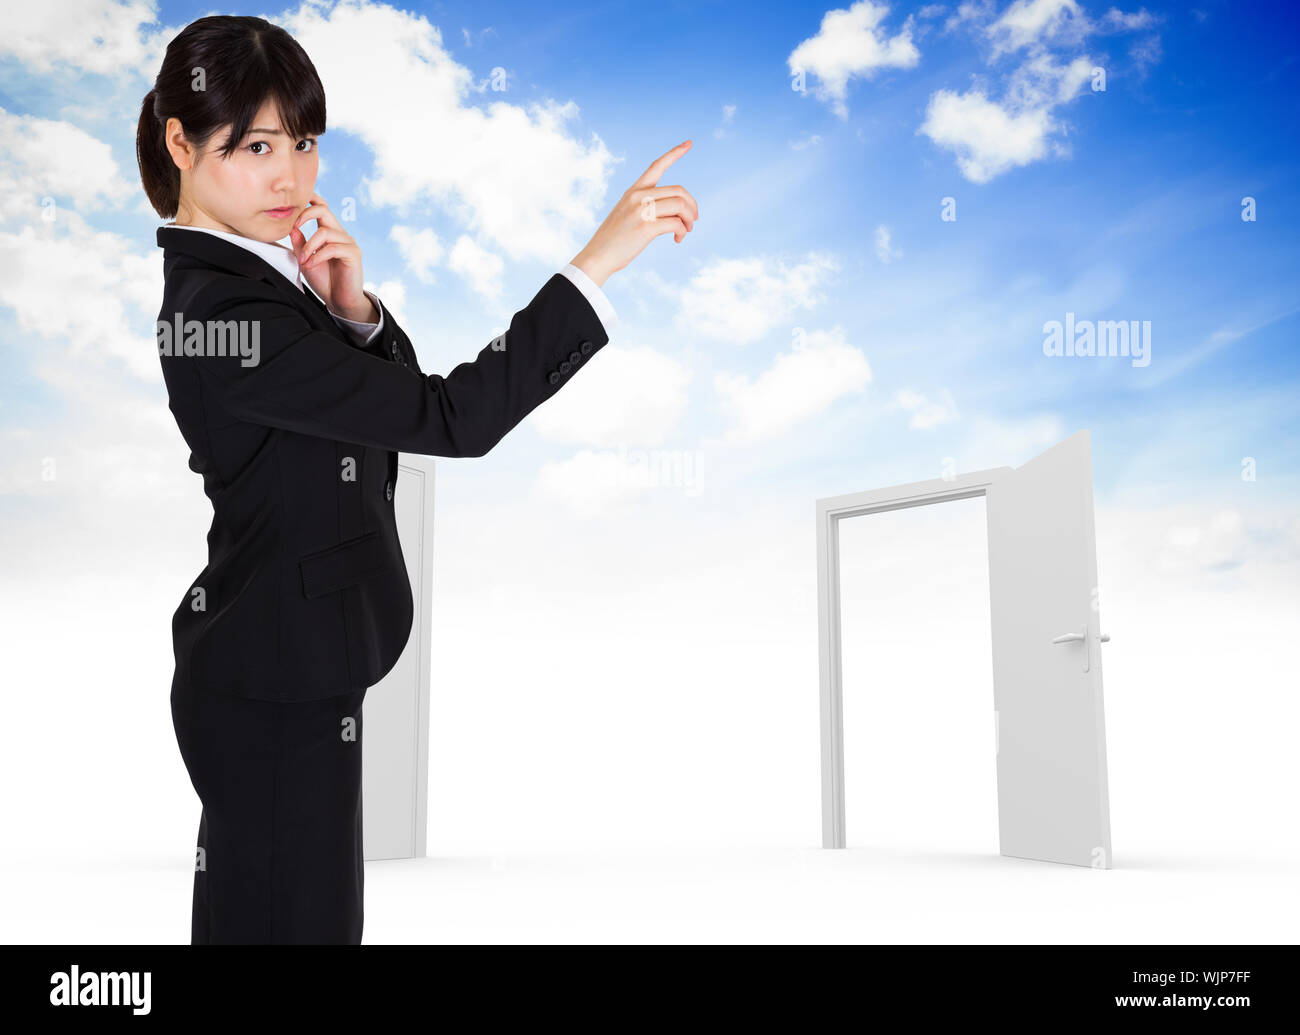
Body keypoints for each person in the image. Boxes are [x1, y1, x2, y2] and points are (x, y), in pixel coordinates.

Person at [136, 13, 698, 944]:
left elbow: (366, 408)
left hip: (290, 669)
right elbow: (451, 418)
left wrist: (353, 313)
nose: (291, 176)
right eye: (256, 146)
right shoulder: (223, 313)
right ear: (181, 143)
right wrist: (597, 264)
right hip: (274, 684)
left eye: (305, 143)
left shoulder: (267, 284)